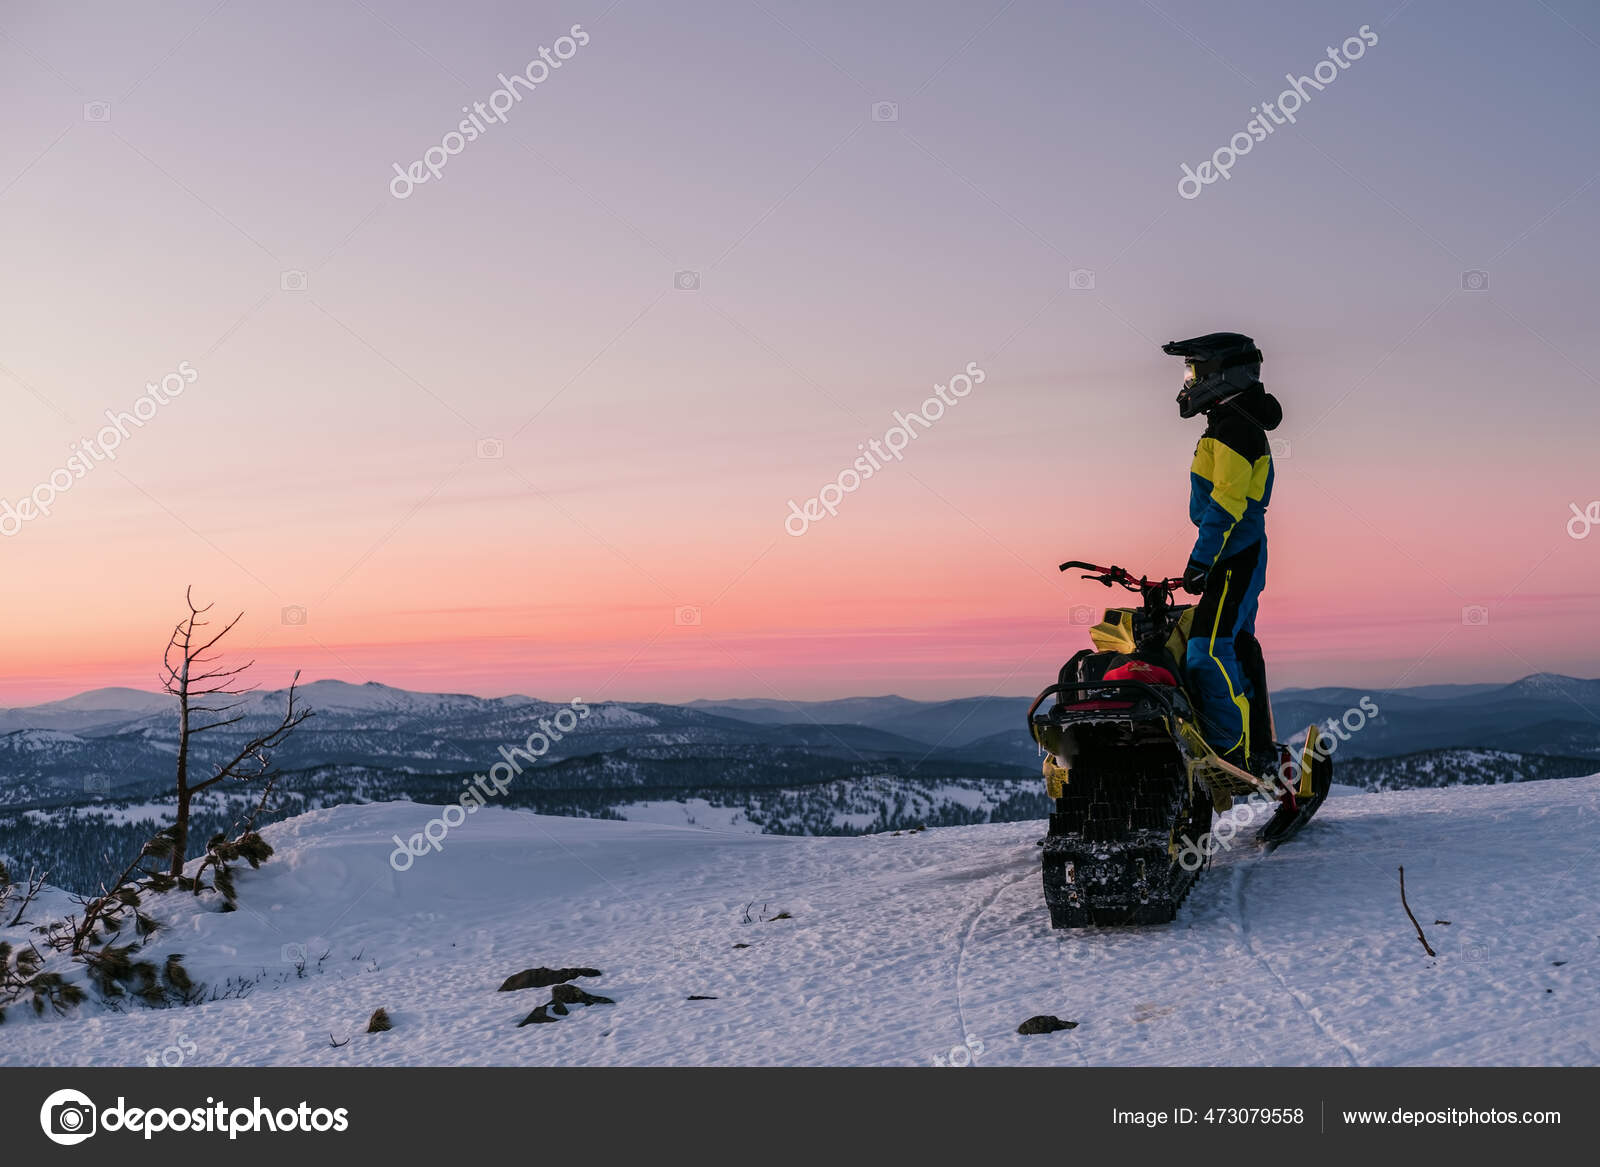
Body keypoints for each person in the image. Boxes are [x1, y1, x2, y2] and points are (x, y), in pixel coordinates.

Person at [1162, 333, 1283, 763]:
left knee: (1206, 651)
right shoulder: (1232, 420)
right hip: (1239, 552)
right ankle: (1258, 747)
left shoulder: (1234, 426)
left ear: (1220, 375)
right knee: (1236, 645)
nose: (1189, 380)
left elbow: (1228, 502)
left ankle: (1230, 750)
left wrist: (1201, 559)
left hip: (1235, 551)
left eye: (1193, 371)